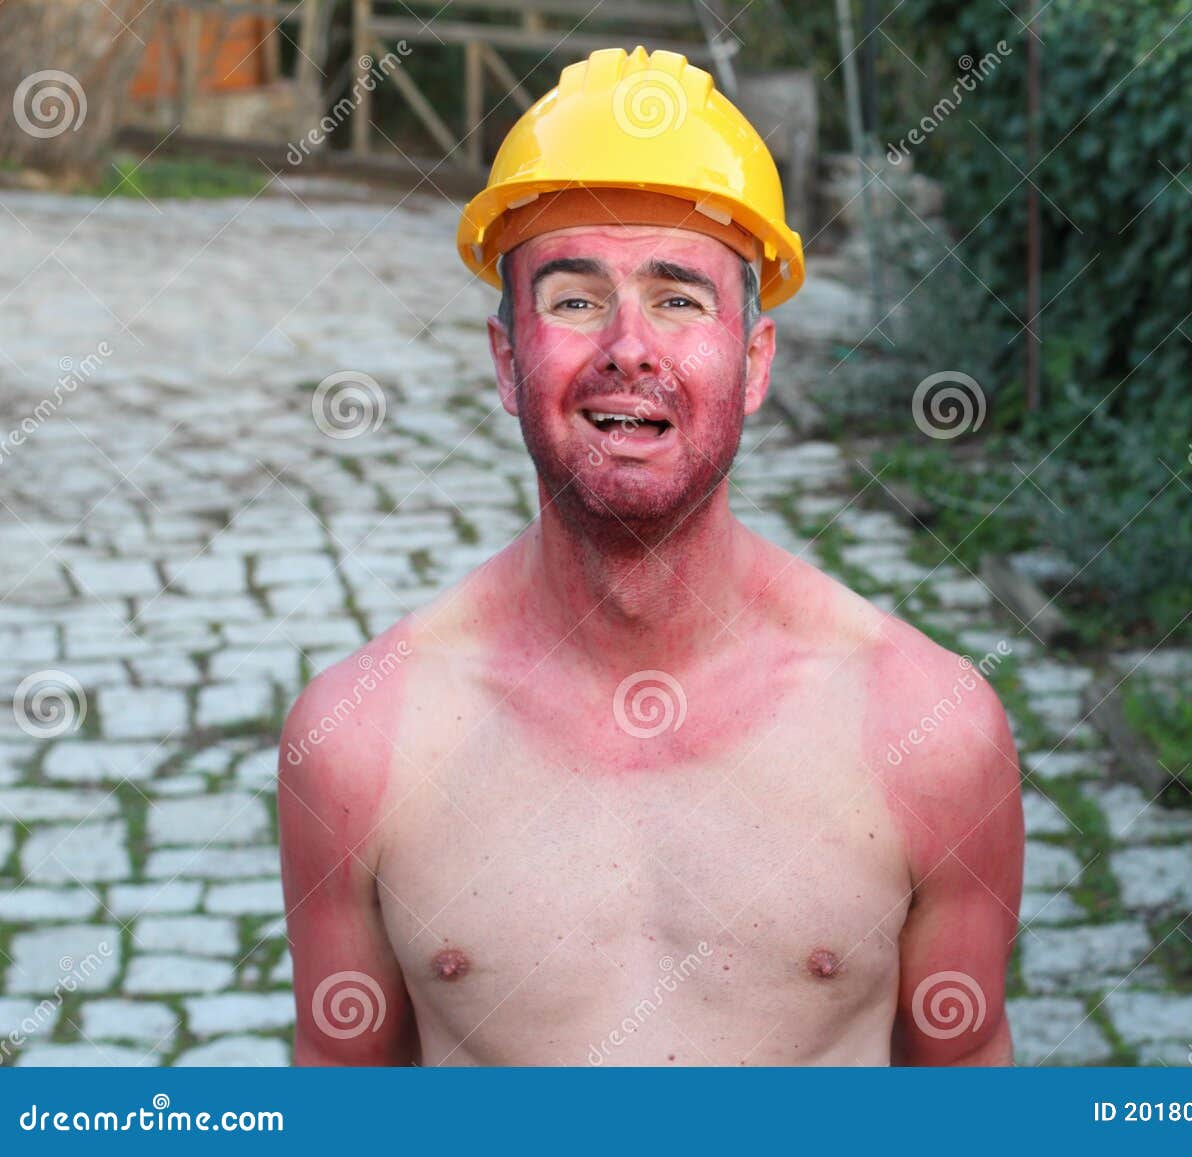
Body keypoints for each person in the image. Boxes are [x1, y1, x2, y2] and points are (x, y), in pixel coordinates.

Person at [277, 46, 1023, 1066]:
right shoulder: (359, 744)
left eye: (679, 298)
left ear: (754, 362)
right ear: (506, 358)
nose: (629, 345)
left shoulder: (931, 732)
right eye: (574, 297)